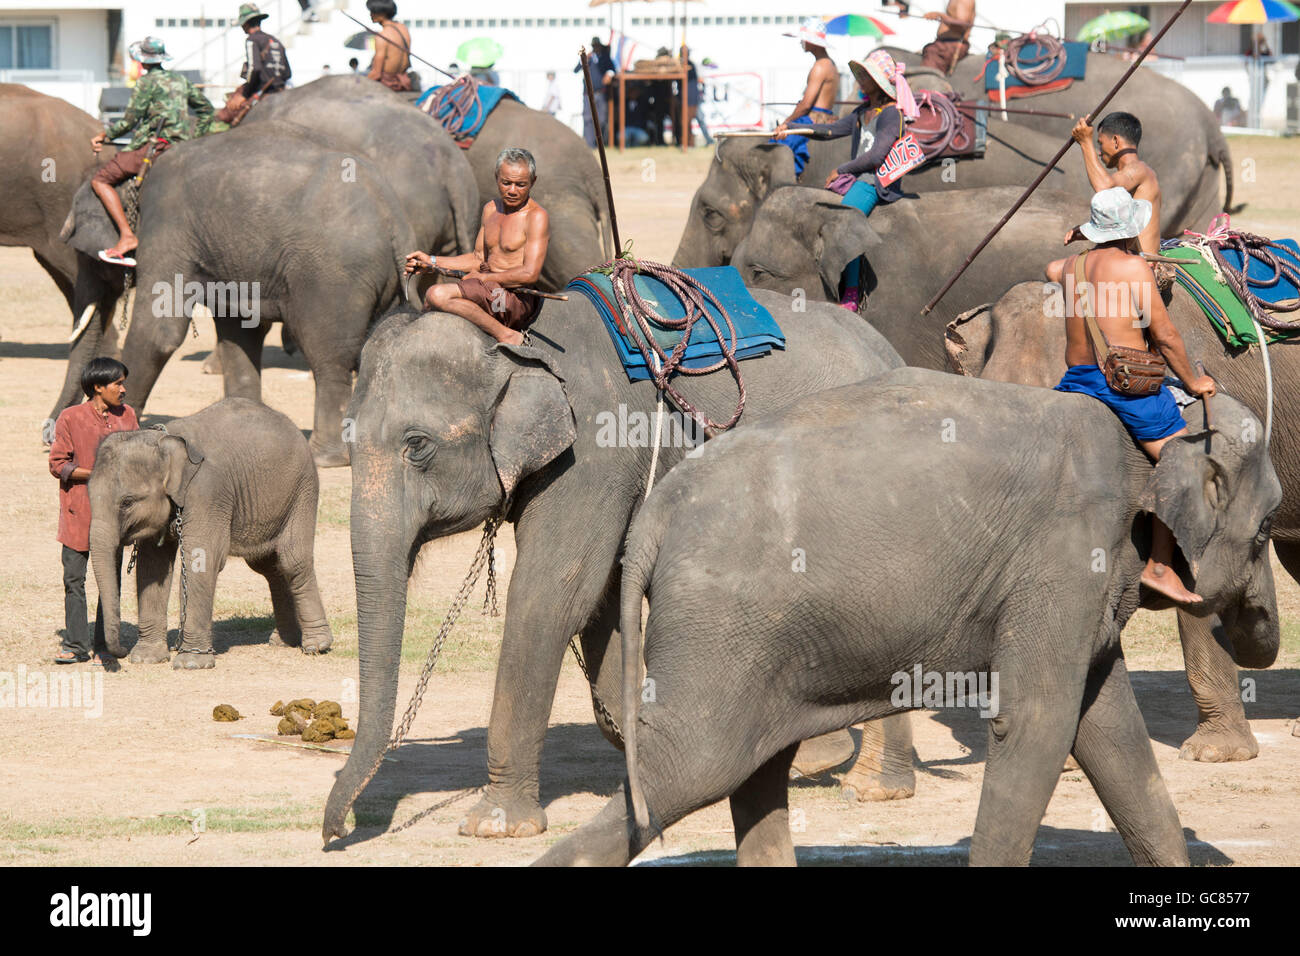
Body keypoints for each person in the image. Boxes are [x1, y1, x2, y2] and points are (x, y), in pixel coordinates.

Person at [1045, 188, 1217, 604]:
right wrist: (1193, 382)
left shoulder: (1069, 267)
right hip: (1122, 386)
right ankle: (1160, 565)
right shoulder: (1135, 268)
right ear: (1130, 228)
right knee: (1182, 458)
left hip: (1077, 378)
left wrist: (1082, 244)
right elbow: (1165, 336)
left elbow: (1050, 268)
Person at [777, 49, 919, 310]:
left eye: (865, 75)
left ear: (878, 82)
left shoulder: (891, 114)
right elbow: (829, 130)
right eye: (861, 75)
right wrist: (793, 128)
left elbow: (877, 156)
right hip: (859, 178)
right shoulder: (864, 111)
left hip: (874, 181)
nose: (860, 80)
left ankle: (851, 294)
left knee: (845, 220)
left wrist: (842, 169)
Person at [404, 147, 550, 346]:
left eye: (521, 185)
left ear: (533, 182)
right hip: (485, 288)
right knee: (430, 304)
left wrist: (484, 277)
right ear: (496, 177)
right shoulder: (490, 208)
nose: (512, 191)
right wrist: (430, 261)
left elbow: (529, 274)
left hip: (512, 298)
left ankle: (507, 335)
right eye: (506, 183)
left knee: (436, 294)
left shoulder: (536, 217)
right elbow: (477, 258)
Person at [90, 36, 213, 267]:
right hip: (182, 148)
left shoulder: (145, 84)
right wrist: (195, 141)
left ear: (143, 61)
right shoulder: (181, 81)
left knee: (100, 180)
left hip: (154, 149)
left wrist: (104, 136)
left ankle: (127, 237)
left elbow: (129, 121)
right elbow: (206, 110)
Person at [48, 358, 140, 665]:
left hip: (114, 517)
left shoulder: (127, 416)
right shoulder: (71, 417)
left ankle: (104, 645)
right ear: (98, 387)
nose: (123, 389)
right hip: (78, 513)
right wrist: (96, 473)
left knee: (109, 581)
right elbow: (58, 464)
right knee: (74, 580)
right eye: (117, 384)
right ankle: (76, 645)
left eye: (123, 383)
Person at [1069, 111, 1162, 259]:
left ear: (1116, 141)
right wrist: (1086, 232)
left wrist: (1085, 143)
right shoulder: (1131, 174)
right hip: (1129, 261)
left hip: (1142, 266)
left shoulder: (1139, 169)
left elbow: (1105, 188)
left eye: (1100, 143)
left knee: (1055, 270)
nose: (1099, 152)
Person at [771, 18, 838, 176]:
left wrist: (786, 123)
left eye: (804, 39)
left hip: (812, 120)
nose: (801, 42)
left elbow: (806, 105)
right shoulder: (830, 64)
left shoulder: (820, 66)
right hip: (822, 116)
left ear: (812, 42)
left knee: (776, 146)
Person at [215, 4, 291, 124]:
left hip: (263, 90)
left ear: (246, 23)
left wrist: (245, 94)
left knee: (226, 114)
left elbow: (254, 68)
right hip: (280, 89)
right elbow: (287, 73)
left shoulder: (252, 40)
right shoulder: (276, 41)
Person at [365, 0, 412, 92]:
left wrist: (360, 84)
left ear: (382, 13)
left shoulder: (382, 36)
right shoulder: (403, 28)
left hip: (387, 85)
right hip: (404, 81)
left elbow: (376, 74)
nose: (370, 15)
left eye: (373, 11)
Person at [920, 0, 974, 76]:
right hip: (943, 44)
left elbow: (962, 25)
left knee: (927, 75)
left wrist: (940, 15)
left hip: (949, 46)